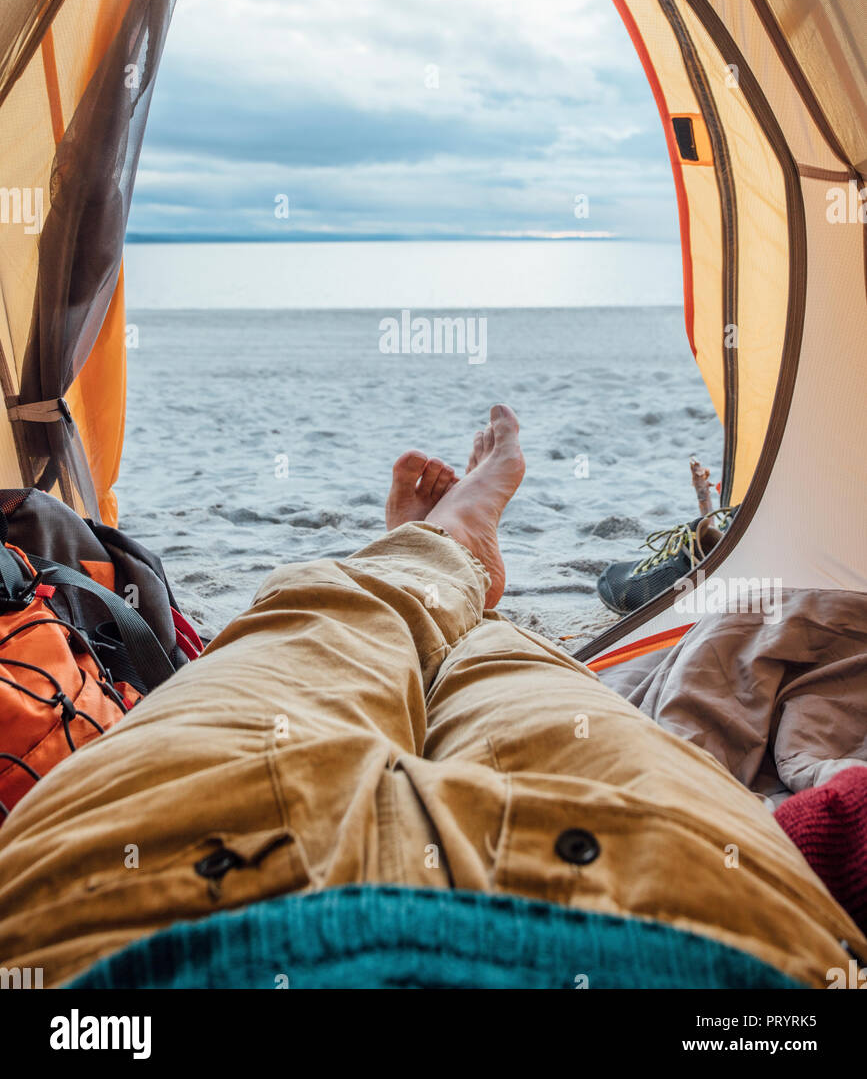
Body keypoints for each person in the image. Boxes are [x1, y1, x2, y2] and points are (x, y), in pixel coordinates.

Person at [0, 405, 863, 990]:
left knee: (320, 623)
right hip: (699, 941)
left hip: (121, 940)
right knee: (513, 672)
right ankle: (466, 574)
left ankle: (442, 550)